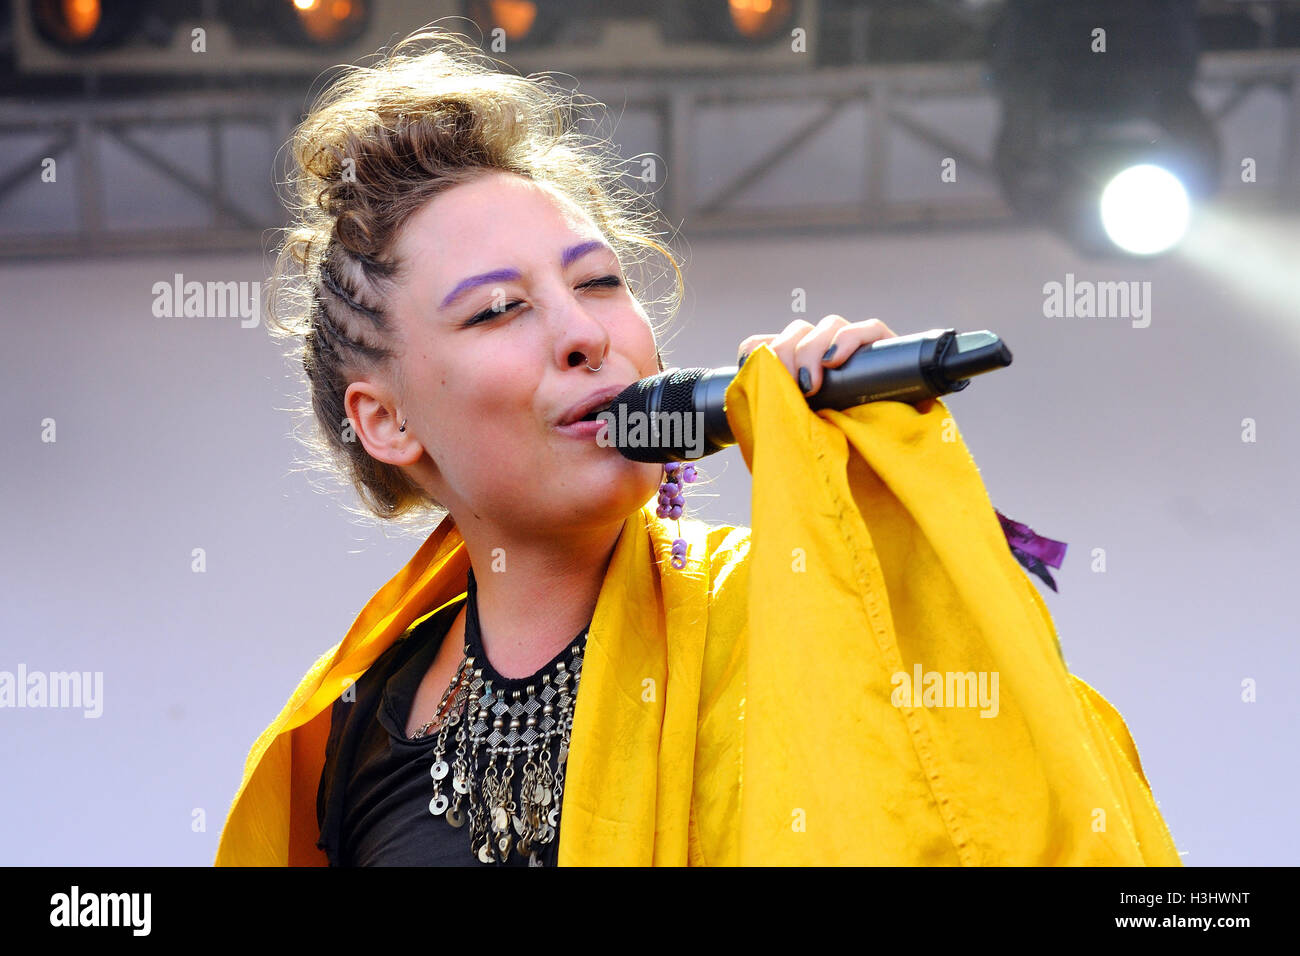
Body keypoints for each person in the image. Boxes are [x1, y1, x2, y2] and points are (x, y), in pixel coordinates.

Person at [214, 26, 1181, 866]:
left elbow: (1025, 818)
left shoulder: (800, 613)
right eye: (500, 309)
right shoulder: (348, 737)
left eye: (597, 283)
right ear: (387, 421)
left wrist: (877, 535)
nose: (586, 334)